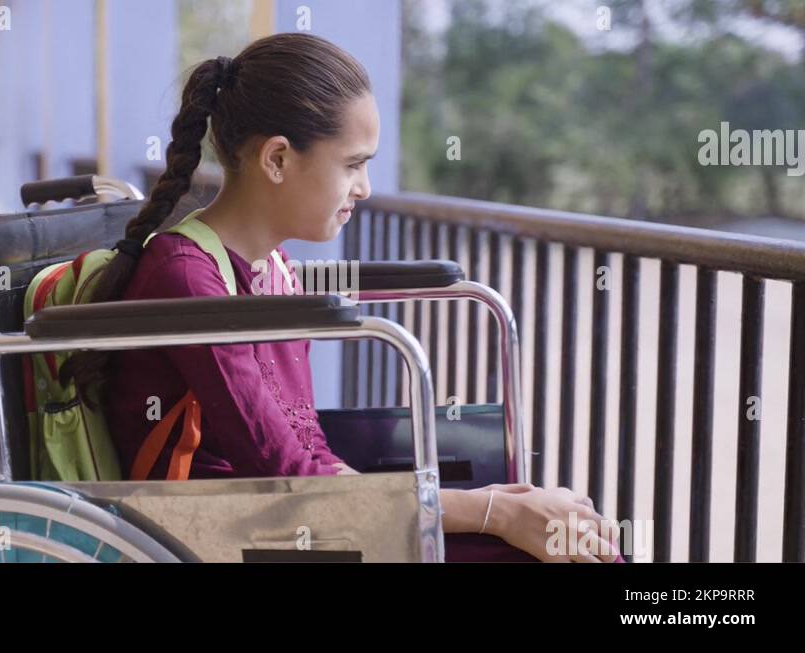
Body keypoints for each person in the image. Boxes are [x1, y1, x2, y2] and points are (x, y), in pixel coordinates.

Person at [61, 32, 622, 563]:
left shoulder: (273, 267)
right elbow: (290, 471)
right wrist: (493, 511)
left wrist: (497, 506)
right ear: (276, 159)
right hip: (221, 534)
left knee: (576, 537)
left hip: (292, 515)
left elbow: (303, 459)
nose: (366, 188)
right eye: (354, 164)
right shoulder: (188, 278)